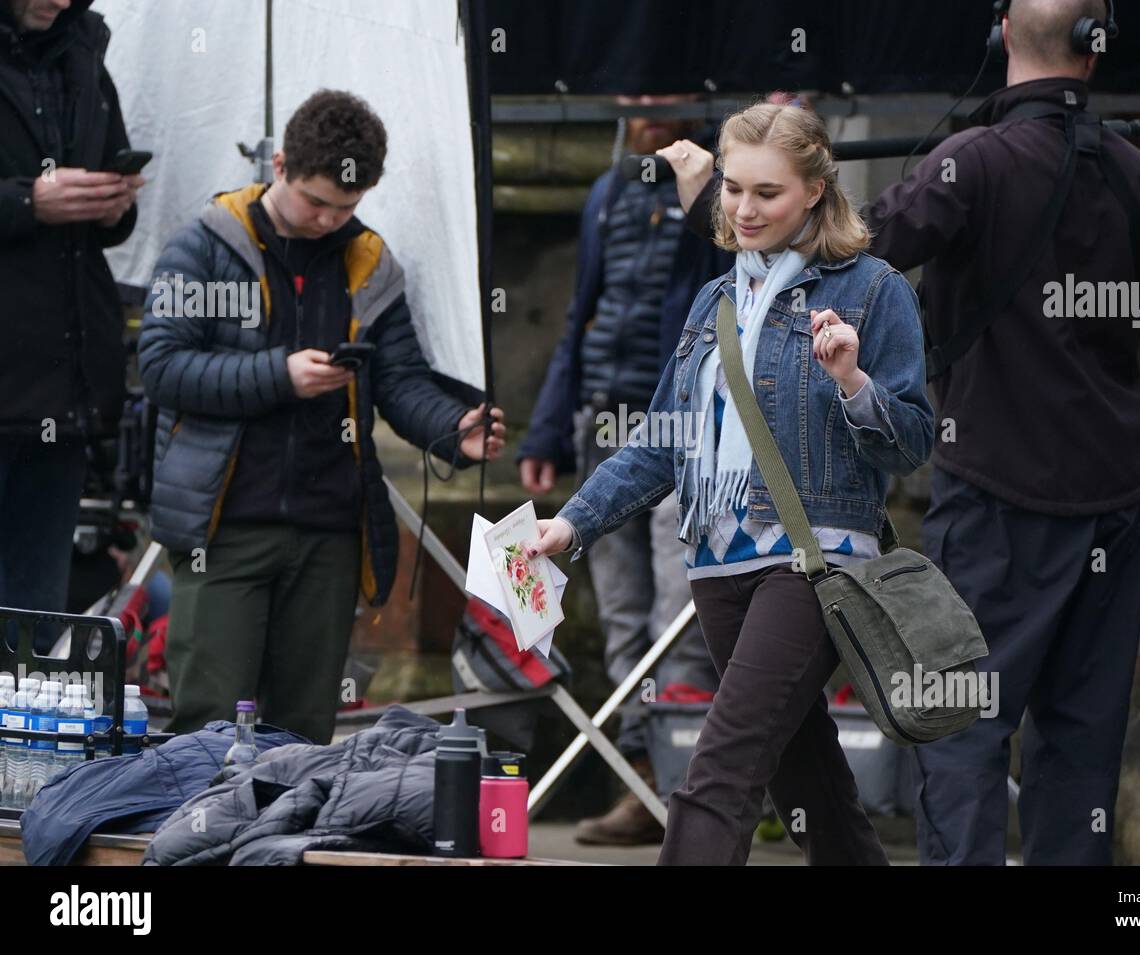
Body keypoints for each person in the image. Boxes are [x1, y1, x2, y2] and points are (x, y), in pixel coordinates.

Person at [668, 0, 1140, 865]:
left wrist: (721, 194)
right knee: (1083, 750)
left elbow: (846, 248)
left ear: (1001, 33)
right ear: (1095, 44)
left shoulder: (972, 163)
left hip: (1002, 489)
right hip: (1115, 494)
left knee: (961, 727)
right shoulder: (1134, 170)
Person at [526, 101, 934, 865]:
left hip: (814, 564)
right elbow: (663, 441)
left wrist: (853, 382)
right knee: (808, 784)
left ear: (815, 189)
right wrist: (572, 522)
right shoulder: (716, 300)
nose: (743, 210)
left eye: (767, 193)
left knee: (718, 772)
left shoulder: (875, 290)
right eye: (733, 189)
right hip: (716, 567)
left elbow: (912, 443)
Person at [139, 90, 505, 745]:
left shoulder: (367, 259)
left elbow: (400, 382)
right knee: (207, 727)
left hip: (330, 530)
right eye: (316, 202)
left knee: (304, 735)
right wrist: (281, 376)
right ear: (279, 164)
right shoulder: (201, 246)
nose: (329, 221)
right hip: (223, 528)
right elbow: (163, 367)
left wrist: (454, 430)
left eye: (348, 207)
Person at [517, 94, 729, 845]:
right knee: (622, 622)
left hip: (690, 430)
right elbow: (581, 314)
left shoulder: (725, 184)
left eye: (659, 91)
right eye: (632, 94)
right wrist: (546, 428)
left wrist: (704, 189)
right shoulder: (607, 190)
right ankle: (644, 783)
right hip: (603, 424)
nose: (642, 107)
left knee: (685, 619)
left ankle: (693, 794)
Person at [0, 0, 143, 648]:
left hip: (62, 381)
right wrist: (28, 202)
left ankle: (13, 747)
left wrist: (111, 205)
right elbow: (34, 205)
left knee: (34, 620)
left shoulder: (84, 53)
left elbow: (109, 171)